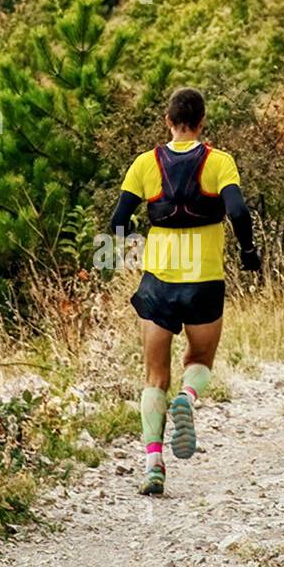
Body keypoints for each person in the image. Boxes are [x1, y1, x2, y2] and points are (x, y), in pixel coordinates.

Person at [107, 87, 261, 496]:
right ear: (203, 120)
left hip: (157, 281)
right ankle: (188, 399)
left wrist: (140, 240)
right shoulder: (219, 162)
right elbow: (239, 212)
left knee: (154, 377)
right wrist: (248, 252)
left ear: (167, 120)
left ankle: (153, 465)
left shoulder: (144, 164)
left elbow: (118, 221)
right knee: (200, 359)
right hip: (203, 278)